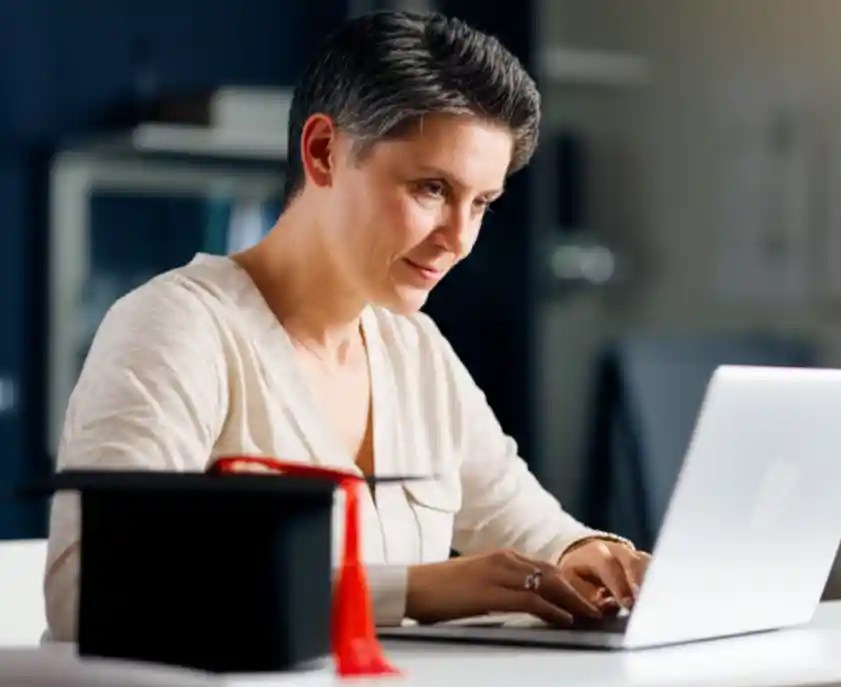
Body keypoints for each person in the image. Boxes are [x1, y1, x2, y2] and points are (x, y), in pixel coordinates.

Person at [43, 9, 648, 642]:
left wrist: (589, 554)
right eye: (431, 189)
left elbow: (532, 529)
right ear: (324, 151)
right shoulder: (178, 328)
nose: (459, 240)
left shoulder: (415, 352)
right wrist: (411, 591)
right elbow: (90, 588)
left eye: (481, 204)